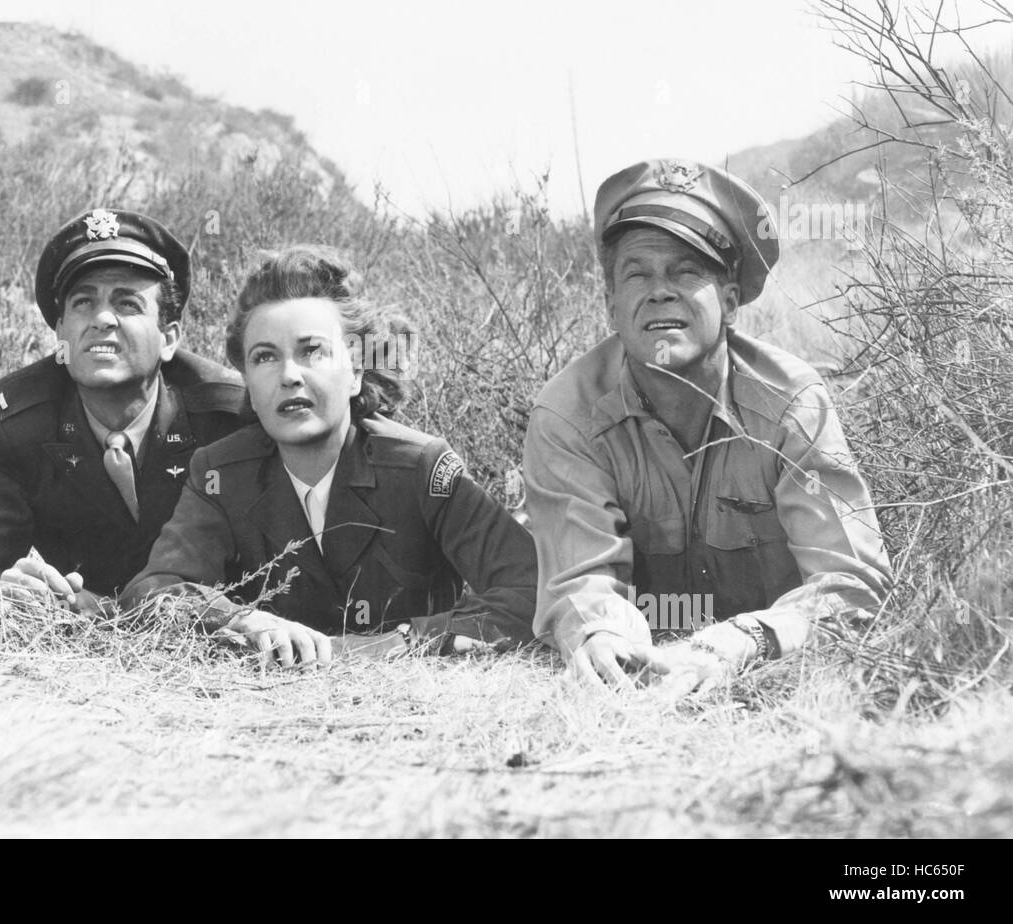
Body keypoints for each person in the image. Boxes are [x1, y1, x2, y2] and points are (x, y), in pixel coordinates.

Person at [524, 159, 891, 696]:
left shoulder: (790, 402)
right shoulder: (568, 415)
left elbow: (848, 582)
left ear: (730, 301)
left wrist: (742, 642)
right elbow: (582, 579)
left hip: (769, 669)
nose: (659, 291)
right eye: (636, 274)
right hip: (650, 669)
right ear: (610, 305)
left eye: (686, 271)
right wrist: (603, 639)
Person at [119, 245, 537, 666]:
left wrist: (406, 641)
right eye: (264, 357)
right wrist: (245, 621)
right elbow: (155, 589)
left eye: (311, 351)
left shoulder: (421, 468)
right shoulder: (221, 473)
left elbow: (530, 589)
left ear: (355, 371)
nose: (288, 375)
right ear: (246, 380)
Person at [0, 208, 248, 614]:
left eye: (128, 303)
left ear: (169, 338)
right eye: (84, 302)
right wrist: (6, 591)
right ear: (61, 333)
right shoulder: (9, 424)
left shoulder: (228, 416)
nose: (102, 319)